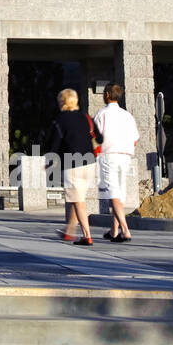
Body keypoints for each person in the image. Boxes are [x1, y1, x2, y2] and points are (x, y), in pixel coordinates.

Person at [43, 88, 98, 246]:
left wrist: (49, 161)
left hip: (71, 164)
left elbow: (55, 142)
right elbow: (99, 136)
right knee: (77, 197)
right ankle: (70, 231)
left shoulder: (60, 119)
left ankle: (87, 236)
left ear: (62, 102)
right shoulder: (85, 117)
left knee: (78, 200)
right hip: (89, 162)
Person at [94, 84, 139, 242]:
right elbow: (135, 139)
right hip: (125, 156)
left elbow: (95, 137)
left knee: (113, 193)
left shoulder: (102, 113)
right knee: (119, 193)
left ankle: (125, 230)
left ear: (107, 94)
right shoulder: (127, 115)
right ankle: (114, 229)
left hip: (109, 155)